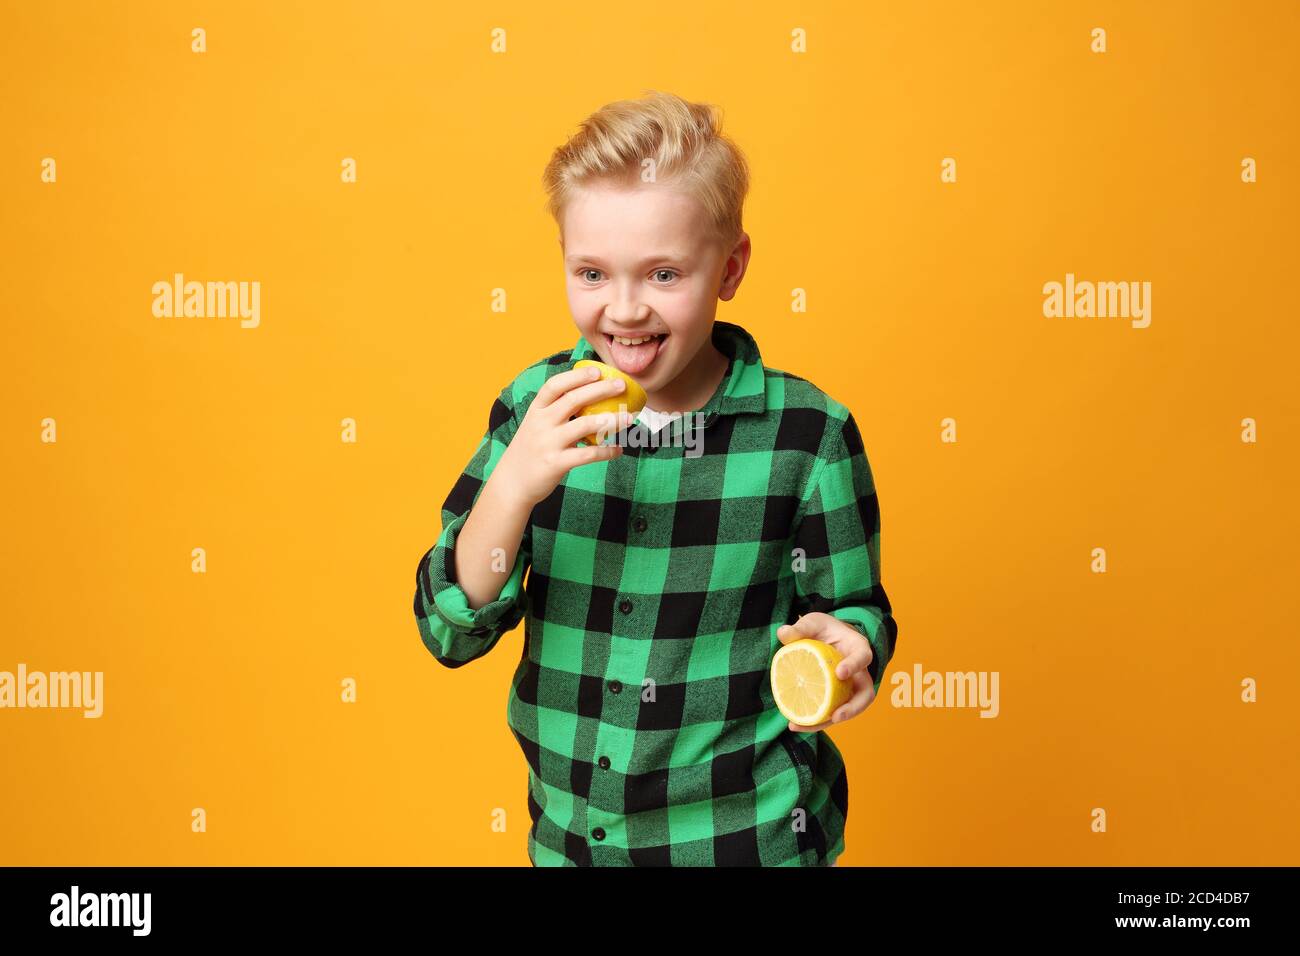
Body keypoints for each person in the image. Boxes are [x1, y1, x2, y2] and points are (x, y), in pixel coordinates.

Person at [414, 90, 898, 866]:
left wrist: (848, 647)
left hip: (749, 842)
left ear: (730, 268)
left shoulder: (810, 435)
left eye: (664, 273)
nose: (625, 309)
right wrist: (513, 484)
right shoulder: (532, 409)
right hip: (570, 845)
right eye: (593, 273)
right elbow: (449, 629)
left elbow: (854, 609)